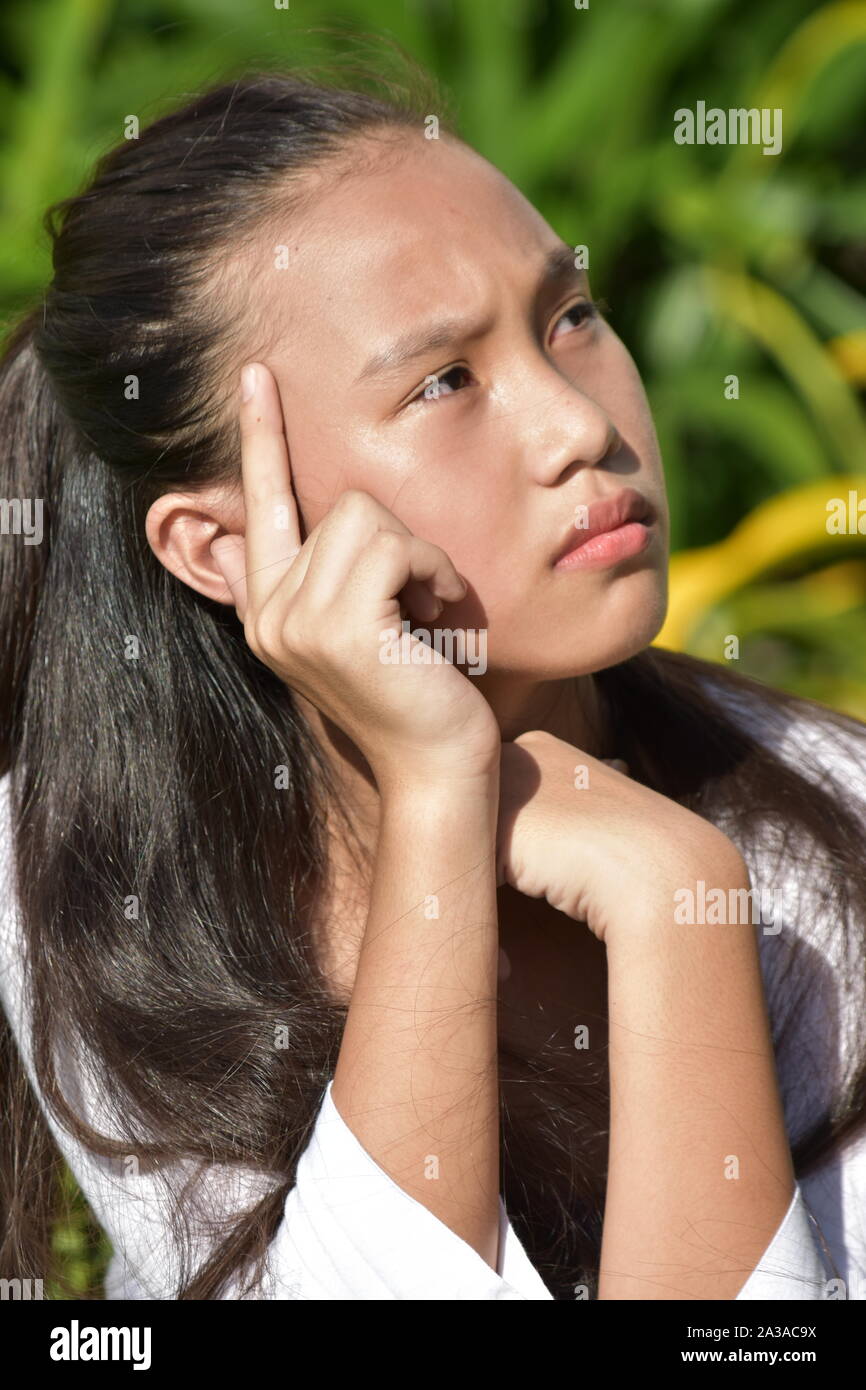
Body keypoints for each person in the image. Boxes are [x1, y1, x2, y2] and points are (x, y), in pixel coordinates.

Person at [0, 59, 864, 1302]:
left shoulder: (822, 837)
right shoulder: (90, 868)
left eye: (569, 314)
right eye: (443, 381)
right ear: (229, 545)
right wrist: (437, 792)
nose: (580, 425)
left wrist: (682, 909)